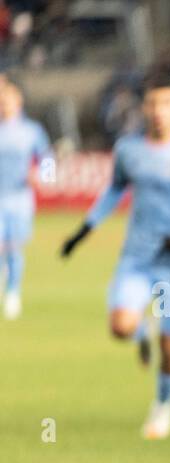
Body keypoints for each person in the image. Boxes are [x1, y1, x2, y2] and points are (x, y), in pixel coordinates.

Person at [61, 77, 170, 440]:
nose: (158, 111)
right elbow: (115, 190)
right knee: (119, 326)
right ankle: (140, 331)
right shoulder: (129, 149)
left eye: (166, 104)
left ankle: (163, 407)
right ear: (144, 109)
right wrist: (85, 230)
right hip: (137, 257)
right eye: (152, 104)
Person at [0, 78, 53, 319]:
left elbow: (47, 159)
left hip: (20, 198)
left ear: (18, 101)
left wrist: (42, 177)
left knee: (14, 246)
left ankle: (13, 292)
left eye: (8, 99)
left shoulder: (32, 131)